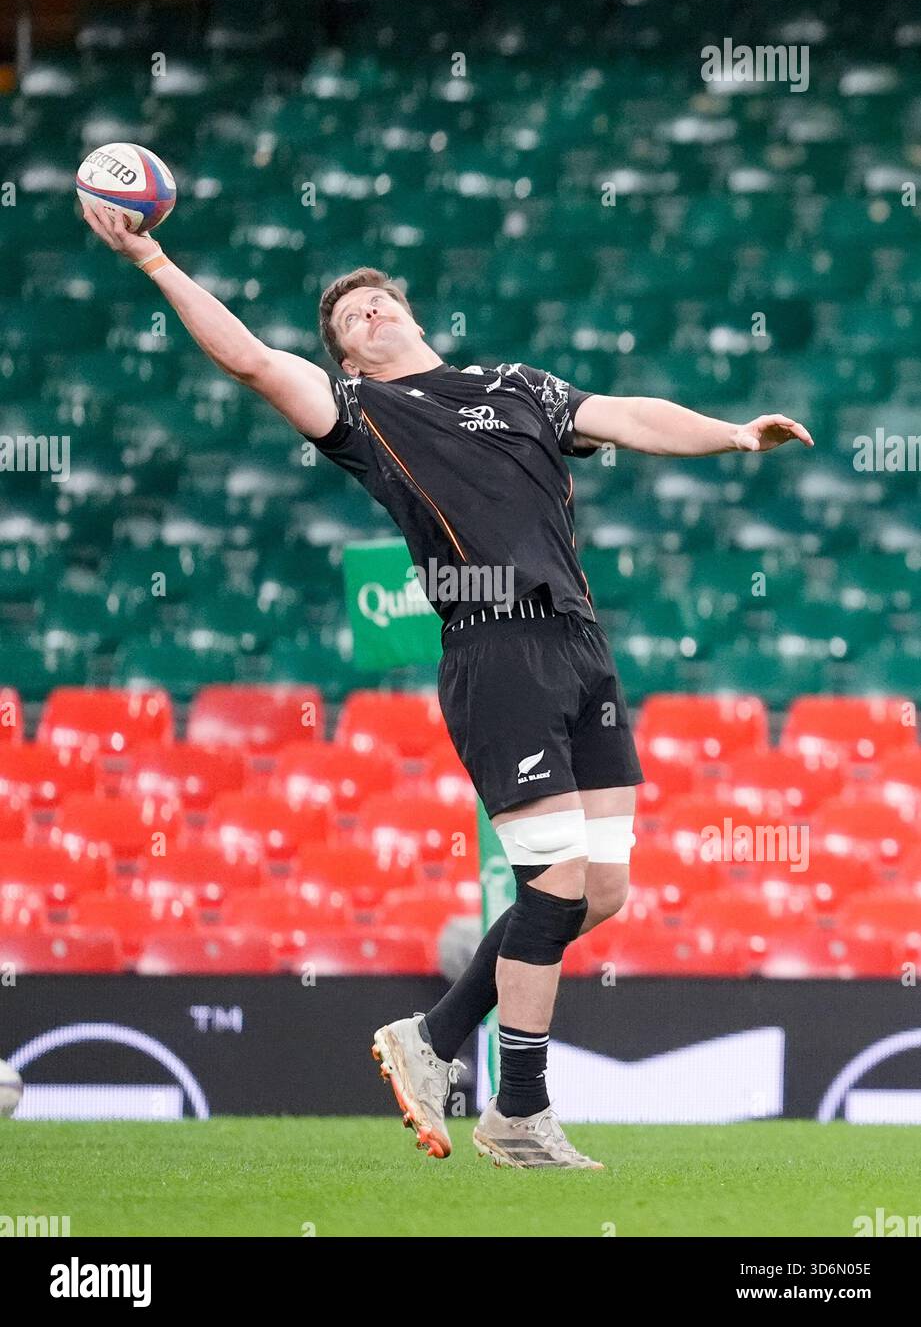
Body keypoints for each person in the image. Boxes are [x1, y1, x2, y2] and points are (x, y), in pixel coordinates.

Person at [81, 205, 814, 1168]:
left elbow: (624, 415)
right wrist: (153, 259)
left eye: (381, 302)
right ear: (346, 360)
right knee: (550, 886)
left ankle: (429, 1040)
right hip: (493, 650)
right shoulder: (364, 417)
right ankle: (517, 1110)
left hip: (581, 644)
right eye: (351, 319)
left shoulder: (514, 384)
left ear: (413, 316)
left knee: (601, 893)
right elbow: (254, 360)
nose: (371, 314)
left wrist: (730, 434)